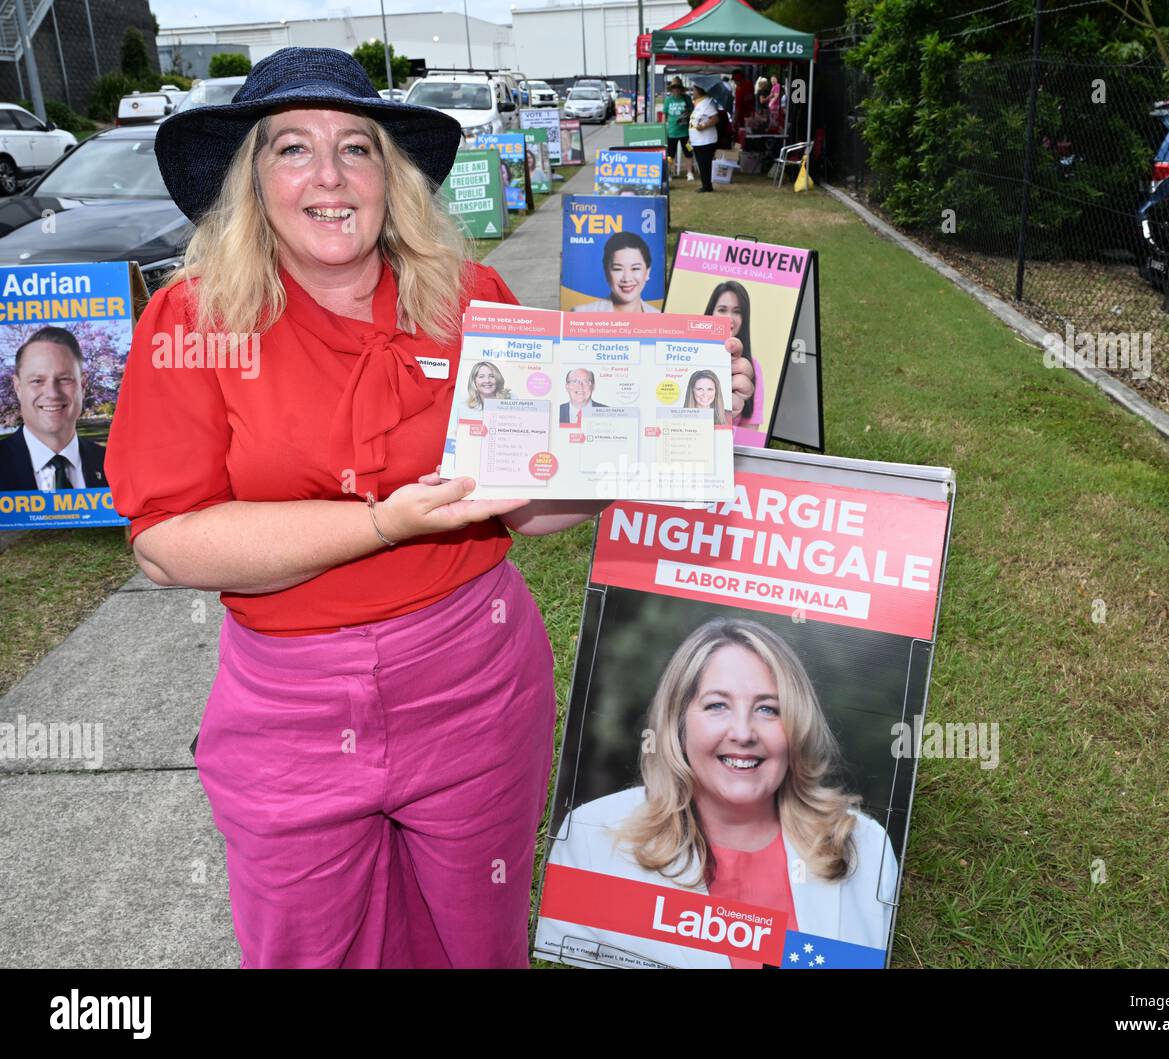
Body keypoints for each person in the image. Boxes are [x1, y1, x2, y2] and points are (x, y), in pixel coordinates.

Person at [104, 46, 756, 970]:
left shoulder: (470, 300)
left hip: (476, 683)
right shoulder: (191, 321)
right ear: (252, 182)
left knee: (475, 941)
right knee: (306, 949)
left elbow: (525, 507)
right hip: (291, 709)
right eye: (291, 148)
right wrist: (381, 524)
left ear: (391, 176)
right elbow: (169, 545)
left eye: (356, 148)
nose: (328, 176)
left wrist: (670, 427)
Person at [535, 618, 899, 969]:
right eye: (717, 706)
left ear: (796, 727)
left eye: (768, 709)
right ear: (679, 723)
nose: (743, 732)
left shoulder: (864, 846)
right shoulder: (592, 836)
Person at [0, 327, 108, 491]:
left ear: (83, 385)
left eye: (64, 379)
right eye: (37, 380)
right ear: (18, 388)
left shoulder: (113, 464)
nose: (52, 393)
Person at [704, 281, 762, 429]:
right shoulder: (687, 354)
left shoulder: (752, 367)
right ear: (711, 312)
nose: (729, 317)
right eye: (722, 310)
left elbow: (751, 432)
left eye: (737, 311)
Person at [574, 231, 660, 313]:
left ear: (648, 272)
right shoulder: (580, 313)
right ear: (606, 272)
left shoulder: (660, 316)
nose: (627, 279)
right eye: (618, 269)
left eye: (635, 268)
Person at [687, 83, 721, 193]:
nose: (693, 92)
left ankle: (707, 186)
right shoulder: (699, 103)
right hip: (697, 140)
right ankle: (705, 184)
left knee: (704, 163)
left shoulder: (707, 103)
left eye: (694, 90)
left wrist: (703, 126)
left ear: (699, 91)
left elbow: (715, 118)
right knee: (701, 163)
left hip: (705, 140)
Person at [663, 80, 691, 178]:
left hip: (685, 132)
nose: (676, 90)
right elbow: (664, 115)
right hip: (672, 132)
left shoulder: (687, 98)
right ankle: (670, 173)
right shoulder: (668, 100)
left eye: (678, 88)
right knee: (670, 154)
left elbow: (692, 113)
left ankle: (689, 173)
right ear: (671, 89)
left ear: (681, 89)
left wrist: (686, 116)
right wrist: (663, 128)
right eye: (674, 88)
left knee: (689, 151)